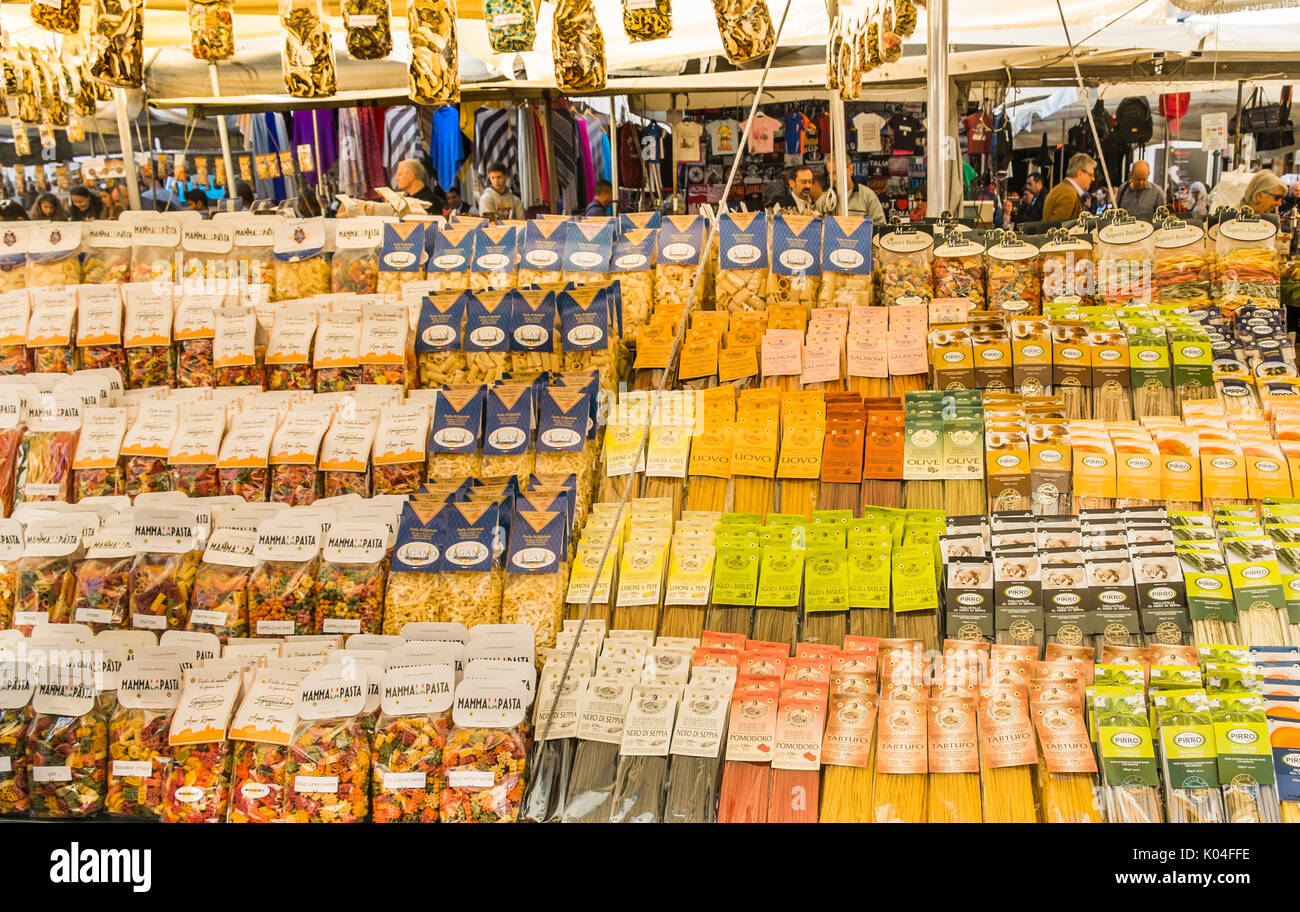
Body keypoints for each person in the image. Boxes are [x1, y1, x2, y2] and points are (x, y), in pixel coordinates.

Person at [815, 159, 886, 223]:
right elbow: (815, 229)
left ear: (851, 169)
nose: (834, 178)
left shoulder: (868, 196)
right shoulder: (824, 199)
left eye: (837, 173)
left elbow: (879, 226)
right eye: (830, 173)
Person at [1041, 153, 1097, 222]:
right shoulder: (1068, 193)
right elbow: (1057, 228)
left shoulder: (1064, 188)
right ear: (1080, 173)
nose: (1093, 179)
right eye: (1090, 175)